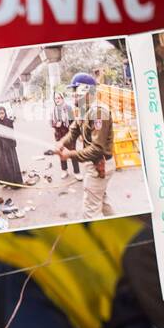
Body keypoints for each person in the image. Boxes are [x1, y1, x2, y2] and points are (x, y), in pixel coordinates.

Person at [55, 72, 115, 220]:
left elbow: (97, 149)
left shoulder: (98, 112)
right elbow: (74, 131)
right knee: (103, 202)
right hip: (95, 164)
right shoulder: (84, 108)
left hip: (99, 164)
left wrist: (69, 155)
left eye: (76, 91)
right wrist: (61, 143)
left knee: (89, 213)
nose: (73, 94)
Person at [51, 93, 81, 178]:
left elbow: (73, 122)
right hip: (59, 135)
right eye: (56, 98)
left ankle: (77, 172)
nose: (57, 100)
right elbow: (51, 122)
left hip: (69, 135)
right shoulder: (54, 110)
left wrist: (65, 122)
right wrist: (56, 124)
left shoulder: (68, 108)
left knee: (72, 153)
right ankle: (64, 171)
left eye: (59, 98)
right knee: (61, 153)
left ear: (62, 98)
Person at [0, 106, 24, 186]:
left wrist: (14, 143)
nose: (1, 115)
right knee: (4, 164)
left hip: (9, 146)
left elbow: (12, 133)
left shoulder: (9, 122)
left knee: (12, 163)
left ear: (5, 113)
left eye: (2, 113)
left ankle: (14, 182)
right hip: (2, 147)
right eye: (0, 114)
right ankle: (6, 182)